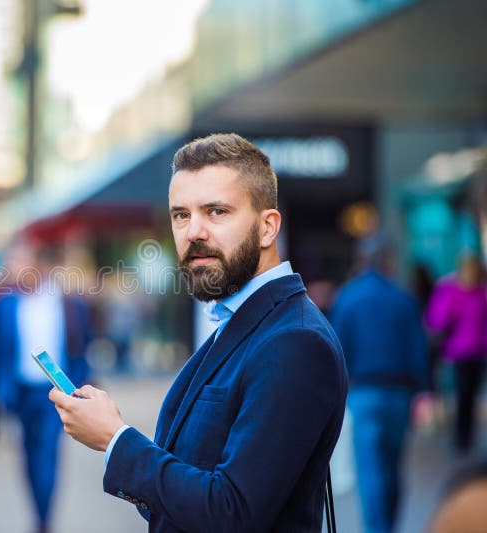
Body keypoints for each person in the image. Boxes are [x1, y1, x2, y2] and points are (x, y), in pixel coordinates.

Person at [48, 133, 348, 532]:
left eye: (216, 211)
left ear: (267, 228)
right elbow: (186, 488)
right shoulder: (242, 322)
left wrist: (114, 439)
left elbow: (232, 511)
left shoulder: (295, 342)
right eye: (181, 215)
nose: (194, 231)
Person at [0, 241, 92, 533]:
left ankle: (44, 520)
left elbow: (82, 347)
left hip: (56, 395)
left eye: (19, 262)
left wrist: (79, 388)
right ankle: (38, 512)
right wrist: (2, 391)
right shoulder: (6, 304)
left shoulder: (67, 302)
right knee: (28, 457)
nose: (13, 269)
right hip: (21, 392)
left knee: (48, 454)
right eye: (11, 263)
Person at [330, 237, 432, 533]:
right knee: (392, 464)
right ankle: (387, 524)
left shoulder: (347, 298)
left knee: (370, 467)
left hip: (363, 394)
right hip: (399, 394)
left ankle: (378, 528)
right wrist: (424, 390)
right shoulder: (403, 298)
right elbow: (418, 349)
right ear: (387, 261)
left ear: (361, 261)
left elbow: (337, 349)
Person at [425, 253, 487, 455]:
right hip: (457, 354)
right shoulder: (451, 291)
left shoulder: (482, 292)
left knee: (470, 396)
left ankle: (467, 437)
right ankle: (460, 438)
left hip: (478, 353)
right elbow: (437, 320)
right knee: (460, 396)